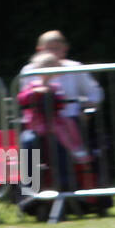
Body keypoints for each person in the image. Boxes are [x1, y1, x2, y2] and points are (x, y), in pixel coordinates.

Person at [18, 52, 86, 197]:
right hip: (35, 127)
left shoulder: (56, 88)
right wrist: (35, 93)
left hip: (54, 126)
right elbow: (22, 99)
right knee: (28, 144)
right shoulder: (31, 86)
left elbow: (61, 103)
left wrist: (51, 94)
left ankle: (65, 184)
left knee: (62, 145)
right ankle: (29, 187)